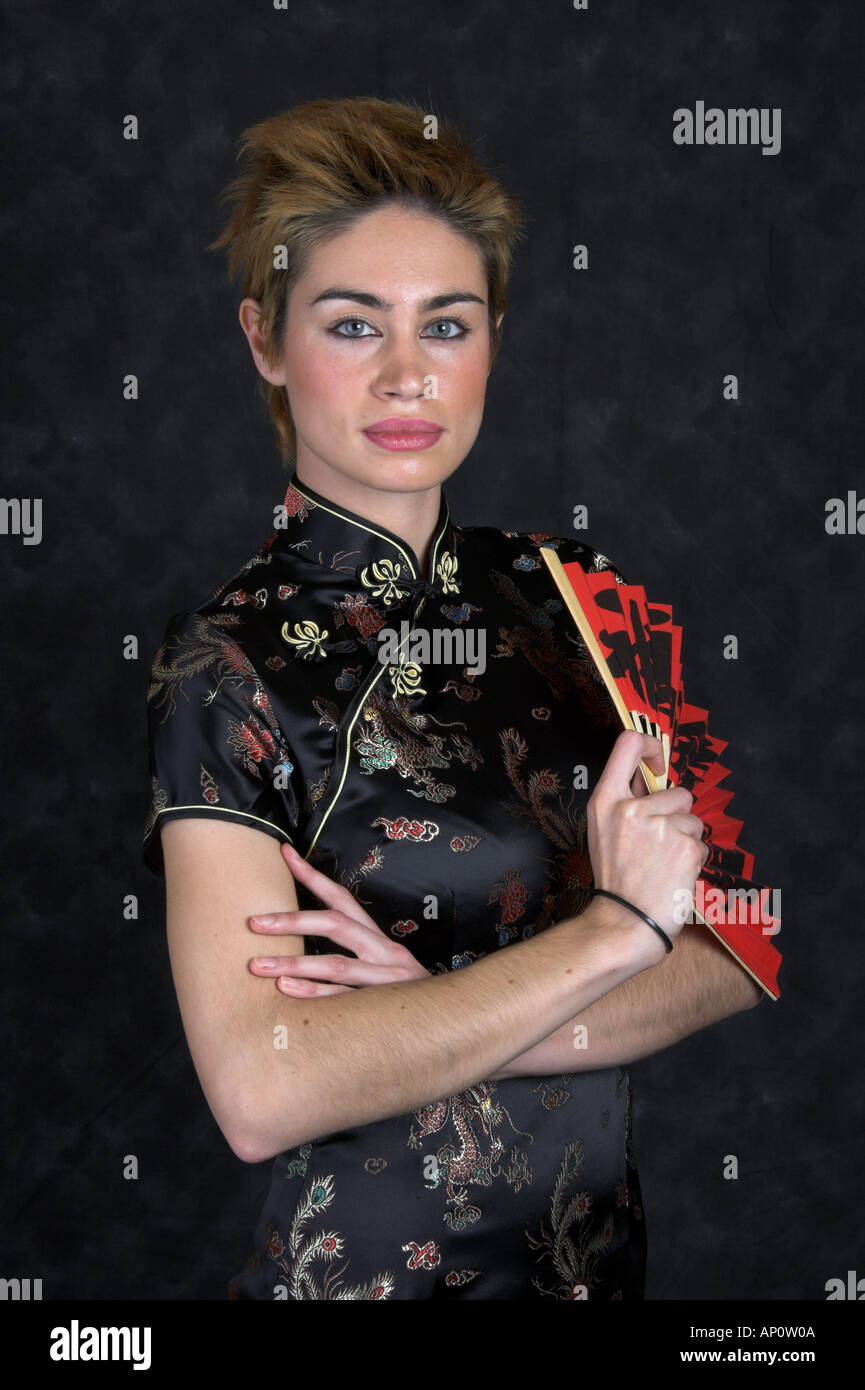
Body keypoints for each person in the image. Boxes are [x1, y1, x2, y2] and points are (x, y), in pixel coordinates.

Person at [141, 97, 764, 1301]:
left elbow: (744, 946)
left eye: (447, 322)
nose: (406, 371)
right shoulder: (223, 663)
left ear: (493, 340)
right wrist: (613, 935)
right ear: (264, 341)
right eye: (350, 323)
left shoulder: (581, 598)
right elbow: (263, 1090)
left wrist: (432, 1013)